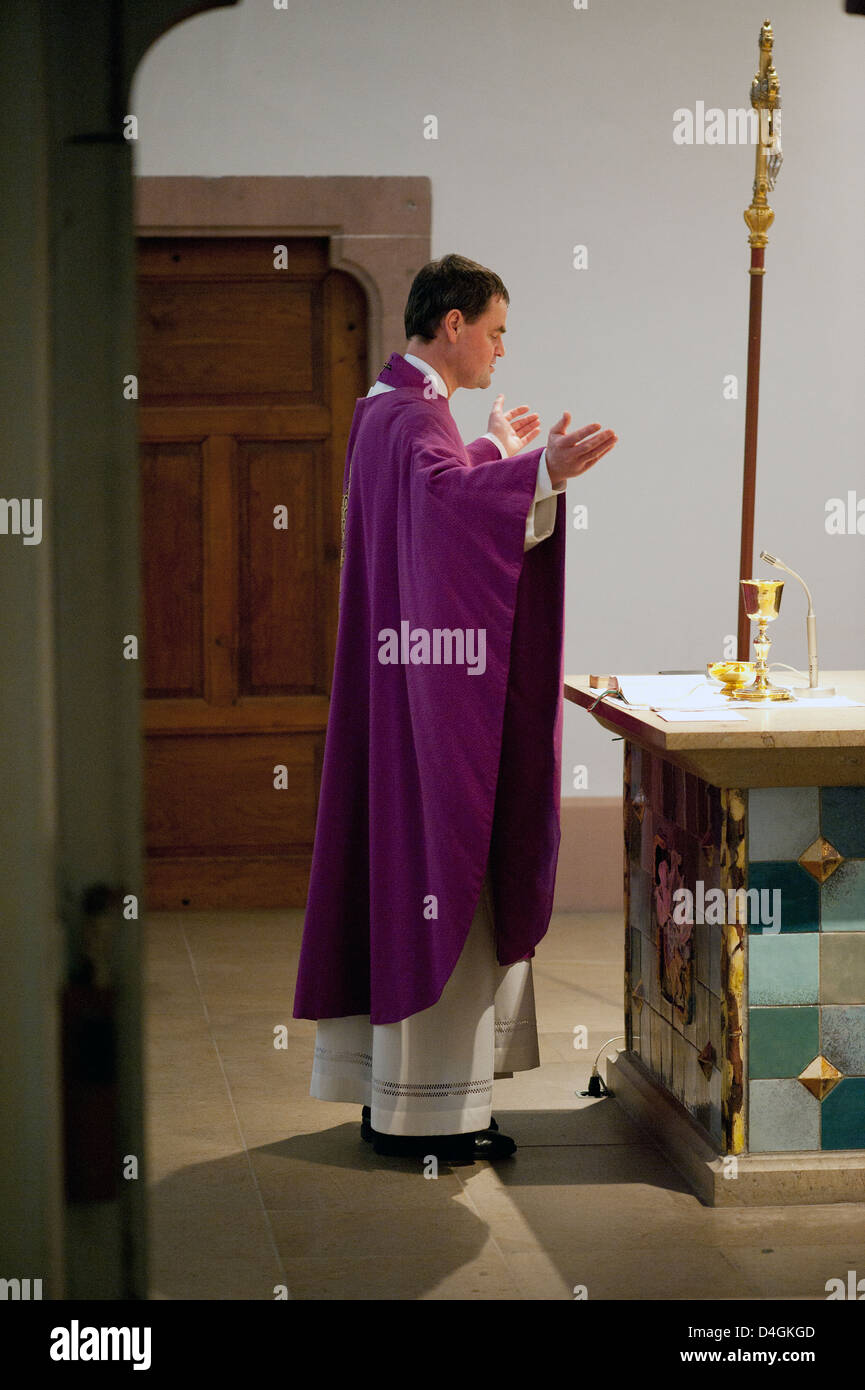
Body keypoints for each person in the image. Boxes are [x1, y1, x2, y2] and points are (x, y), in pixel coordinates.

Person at [293, 253, 617, 1163]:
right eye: (496, 330)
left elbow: (426, 505)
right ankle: (434, 1118)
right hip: (429, 707)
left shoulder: (387, 409)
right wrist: (538, 473)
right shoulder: (410, 413)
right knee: (449, 857)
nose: (500, 351)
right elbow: (440, 515)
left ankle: (391, 1101)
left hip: (397, 683)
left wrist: (492, 458)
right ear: (451, 325)